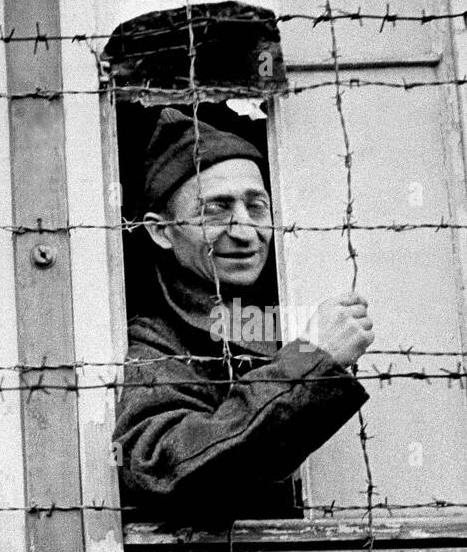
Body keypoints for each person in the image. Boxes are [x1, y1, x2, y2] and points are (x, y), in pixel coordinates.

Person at [112, 107, 374, 524]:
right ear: (161, 231)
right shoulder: (153, 342)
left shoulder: (282, 310)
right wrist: (311, 363)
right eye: (216, 210)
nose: (245, 230)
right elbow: (162, 467)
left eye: (257, 207)